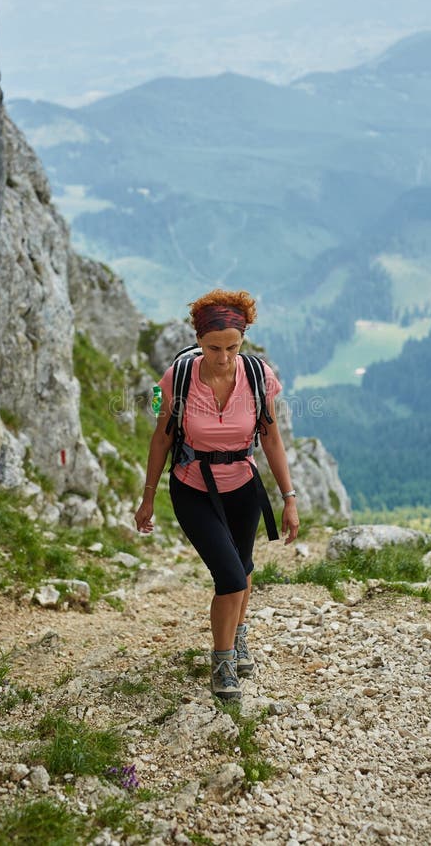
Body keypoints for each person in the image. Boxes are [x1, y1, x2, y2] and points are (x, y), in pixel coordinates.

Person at [134, 289, 299, 701]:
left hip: (243, 486)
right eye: (213, 347)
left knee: (242, 567)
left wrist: (290, 497)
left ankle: (238, 635)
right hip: (192, 487)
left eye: (232, 347)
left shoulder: (260, 377)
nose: (224, 357)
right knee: (228, 576)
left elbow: (272, 440)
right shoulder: (179, 377)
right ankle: (223, 661)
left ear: (242, 341)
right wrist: (148, 496)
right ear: (198, 339)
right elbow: (161, 439)